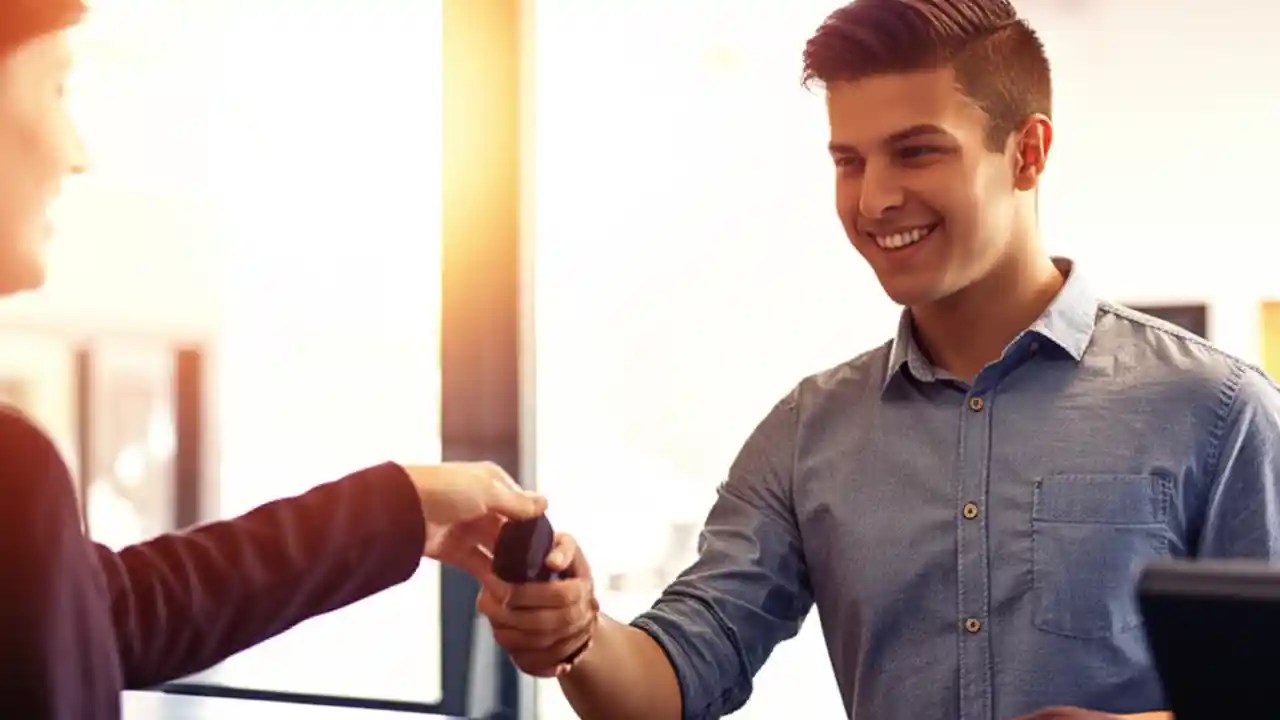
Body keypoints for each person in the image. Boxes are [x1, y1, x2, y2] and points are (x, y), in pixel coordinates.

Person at [476, 1, 1280, 719]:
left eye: (916, 152)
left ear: (1028, 153)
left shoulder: (1216, 410)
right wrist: (575, 633)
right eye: (848, 160)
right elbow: (674, 677)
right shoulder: (806, 434)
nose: (873, 201)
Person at [0, 4, 546, 719]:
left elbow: (104, 610)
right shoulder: (15, 474)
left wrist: (404, 509)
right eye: (57, 90)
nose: (78, 153)